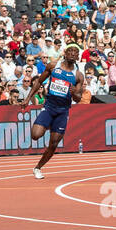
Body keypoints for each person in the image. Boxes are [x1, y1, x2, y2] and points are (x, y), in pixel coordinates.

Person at [24, 42, 83, 179]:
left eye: (76, 52)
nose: (73, 53)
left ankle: (38, 168)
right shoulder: (53, 66)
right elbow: (39, 81)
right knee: (35, 135)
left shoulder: (78, 75)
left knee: (54, 143)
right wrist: (28, 98)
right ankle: (48, 123)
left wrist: (74, 93)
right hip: (49, 107)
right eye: (71, 51)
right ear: (65, 53)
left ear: (78, 56)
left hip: (63, 111)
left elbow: (79, 98)